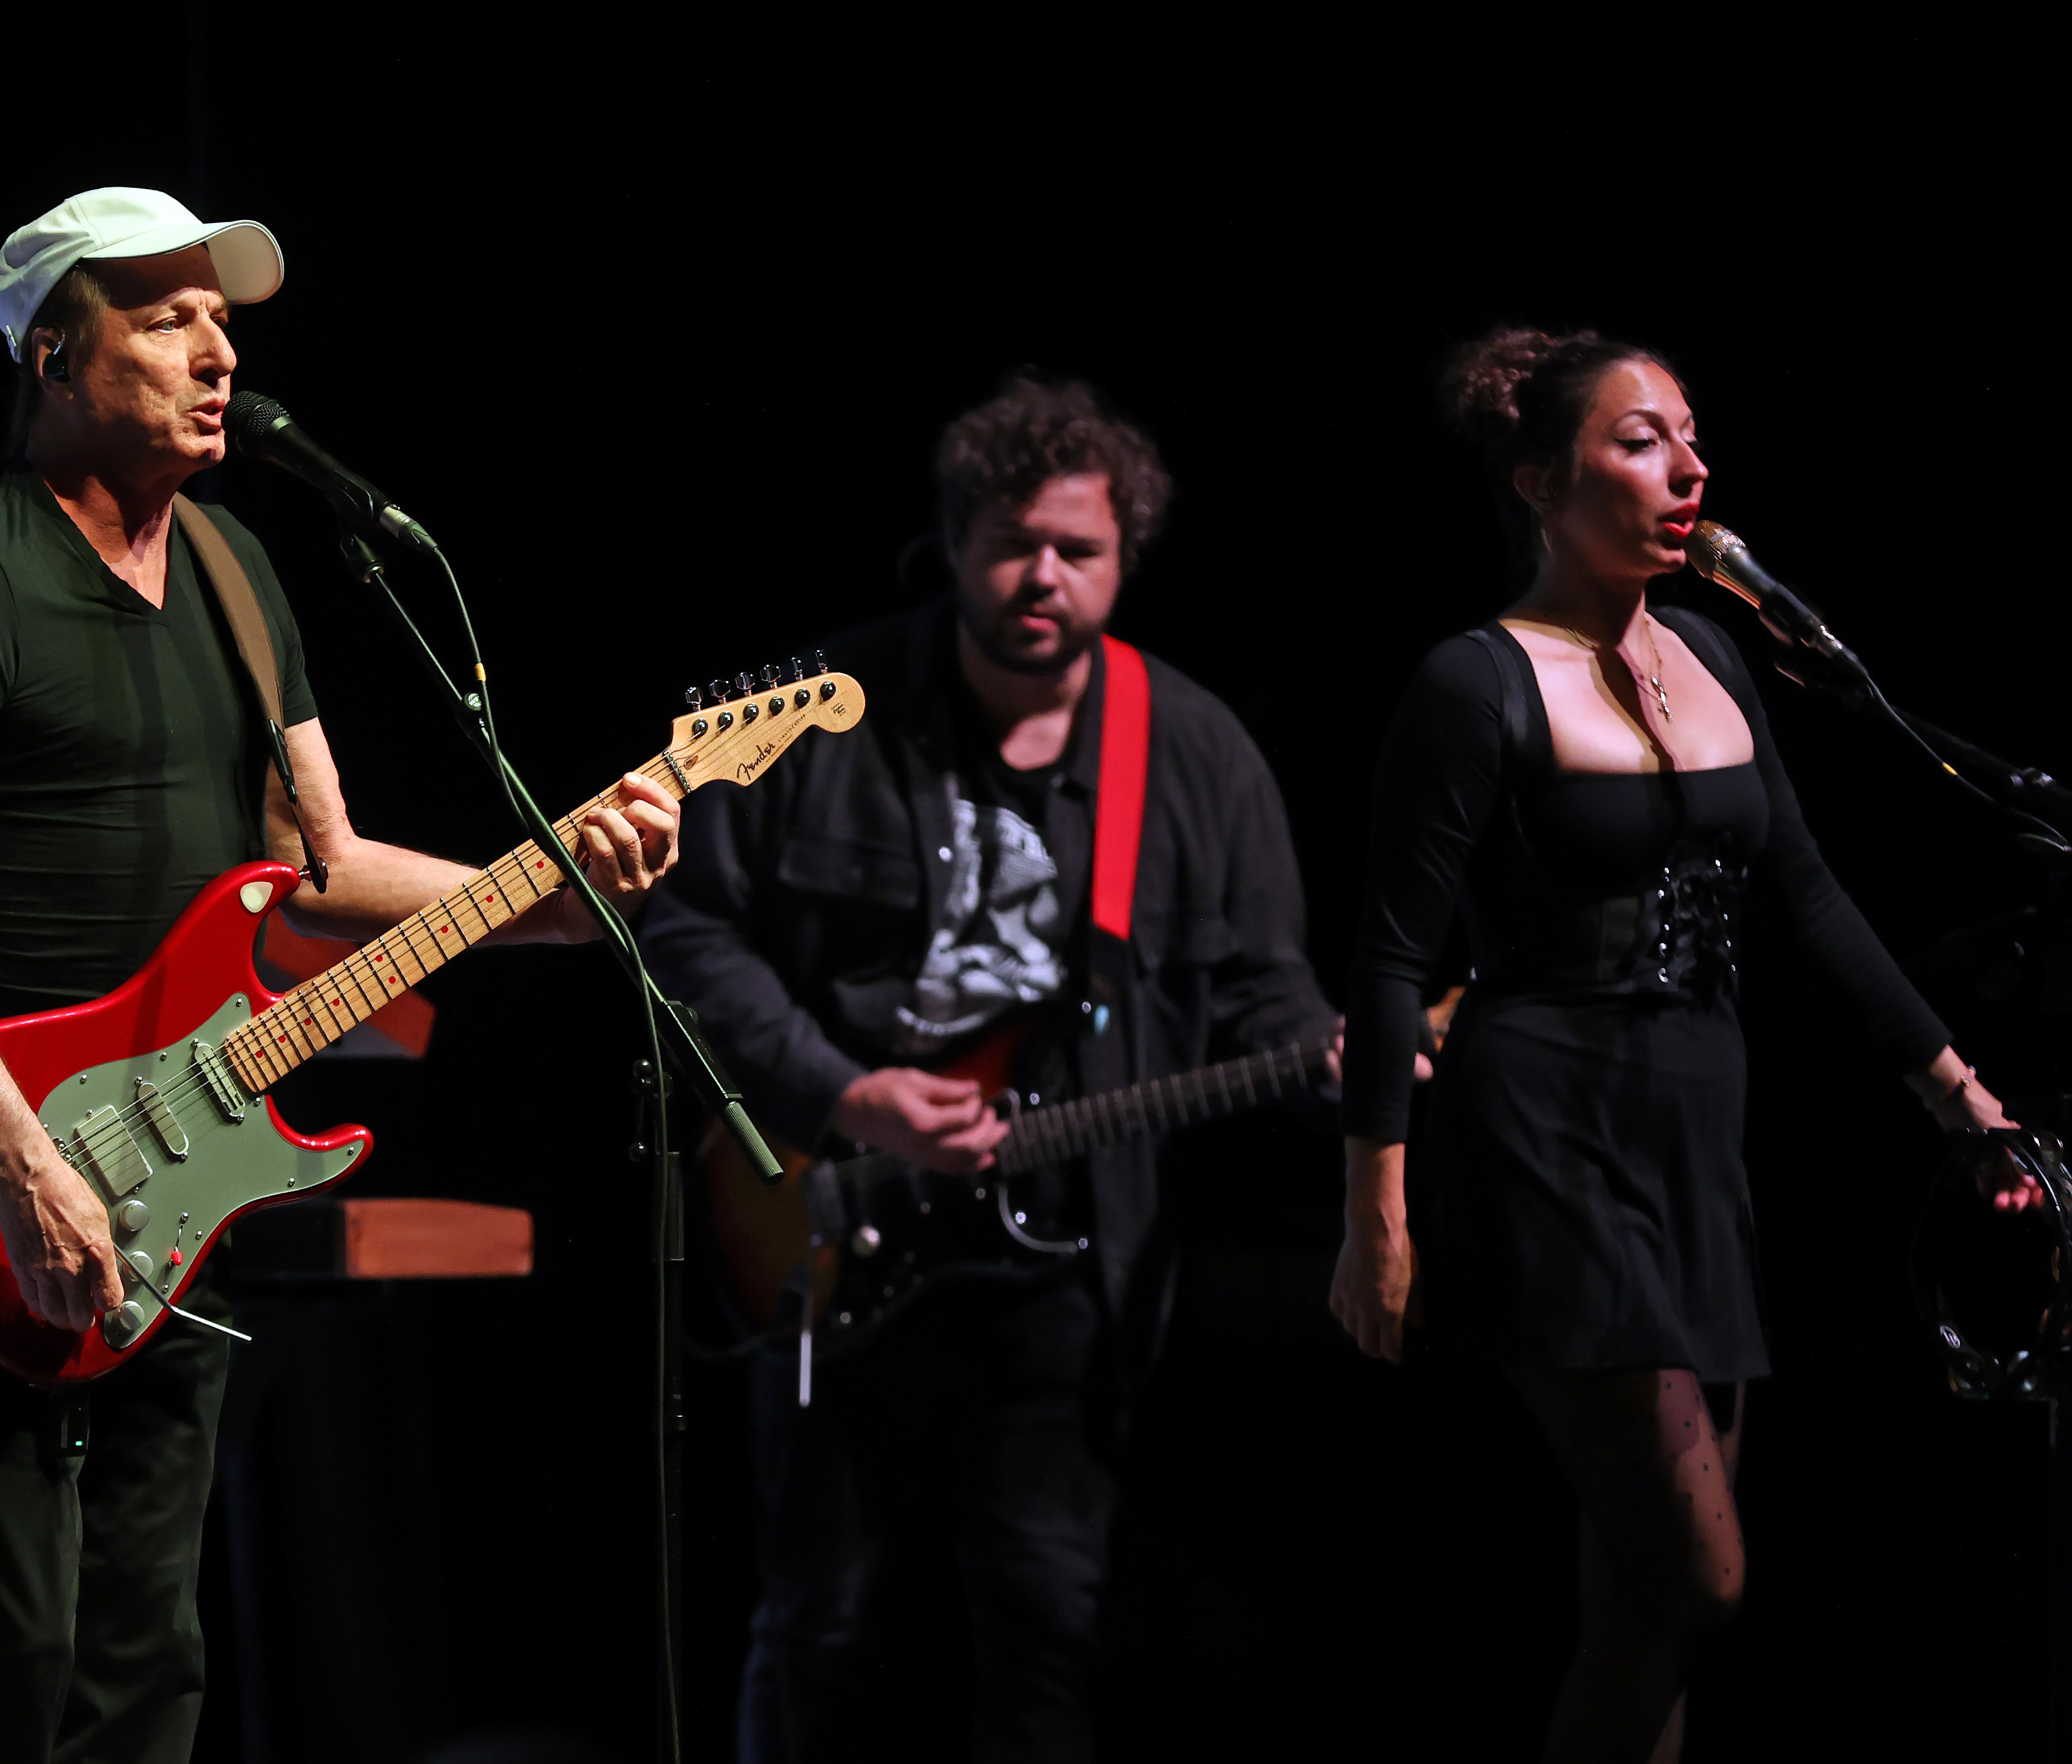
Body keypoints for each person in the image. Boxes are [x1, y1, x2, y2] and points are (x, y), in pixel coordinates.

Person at [0, 187, 680, 1761]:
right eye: (168, 317)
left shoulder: (234, 570)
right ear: (60, 354)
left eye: (225, 319)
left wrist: (563, 890)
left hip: (173, 1177)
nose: (219, 350)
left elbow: (325, 864)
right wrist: (20, 1159)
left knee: (149, 1670)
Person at [1330, 327, 2034, 1764]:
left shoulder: (1714, 650)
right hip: (1546, 1135)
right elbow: (1393, 958)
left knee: (1644, 1605)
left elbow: (1811, 900)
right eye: (1639, 438)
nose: (1688, 463)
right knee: (1698, 1575)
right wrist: (1375, 1212)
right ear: (1539, 480)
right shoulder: (1475, 682)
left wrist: (1958, 1093)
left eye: (1690, 434)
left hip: (1695, 1135)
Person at [641, 375, 1336, 1762]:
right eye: (1013, 541)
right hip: (835, 1226)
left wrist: (1348, 1061)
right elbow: (682, 920)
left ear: (1124, 557)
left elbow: (1268, 992)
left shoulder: (1192, 751)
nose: (1042, 577)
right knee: (819, 1620)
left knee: (1048, 1615)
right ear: (953, 541)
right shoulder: (824, 717)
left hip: (1068, 1266)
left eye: (1077, 549)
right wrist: (845, 1091)